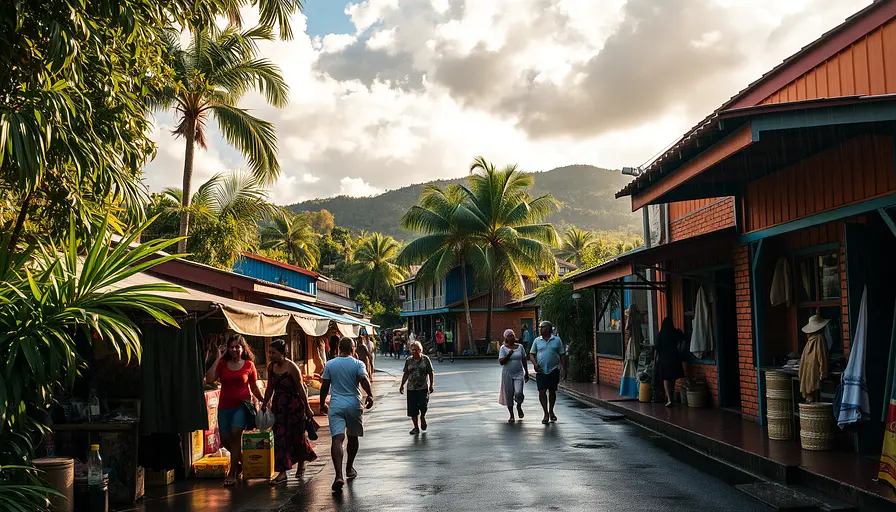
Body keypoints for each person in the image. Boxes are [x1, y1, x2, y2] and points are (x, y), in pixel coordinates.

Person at [205, 334, 264, 487]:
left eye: (237, 347)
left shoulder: (249, 365)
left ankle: (232, 472)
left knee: (235, 433)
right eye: (231, 347)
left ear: (243, 348)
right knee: (224, 439)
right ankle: (242, 460)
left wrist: (264, 400)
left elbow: (254, 387)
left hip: (241, 406)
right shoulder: (223, 364)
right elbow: (209, 379)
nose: (234, 349)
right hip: (224, 406)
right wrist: (218, 357)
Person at [319, 337, 374, 493]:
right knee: (353, 437)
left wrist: (323, 403)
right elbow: (363, 379)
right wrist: (369, 395)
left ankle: (338, 475)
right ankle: (349, 468)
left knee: (337, 439)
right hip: (353, 405)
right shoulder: (358, 364)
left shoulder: (330, 364)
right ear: (353, 348)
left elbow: (325, 386)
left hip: (336, 405)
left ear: (339, 348)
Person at [261, 339, 317, 485]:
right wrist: (264, 402)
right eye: (269, 353)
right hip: (278, 408)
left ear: (282, 353)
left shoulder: (292, 367)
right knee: (280, 438)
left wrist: (308, 408)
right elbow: (269, 388)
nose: (271, 356)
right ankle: (282, 472)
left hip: (295, 407)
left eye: (273, 353)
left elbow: (301, 388)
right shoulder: (271, 367)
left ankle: (301, 461)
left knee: (297, 436)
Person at [529, 320, 567, 424]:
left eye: (542, 327)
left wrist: (564, 369)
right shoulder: (537, 341)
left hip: (553, 369)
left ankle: (551, 411)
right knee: (542, 391)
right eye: (540, 327)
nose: (540, 329)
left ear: (549, 329)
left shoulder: (557, 340)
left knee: (552, 391)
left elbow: (562, 354)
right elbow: (531, 354)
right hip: (541, 370)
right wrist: (535, 364)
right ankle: (545, 413)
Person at [399, 340, 434, 435]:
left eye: (415, 350)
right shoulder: (408, 360)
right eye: (412, 349)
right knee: (413, 409)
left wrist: (431, 385)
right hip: (411, 388)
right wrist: (402, 385)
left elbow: (430, 373)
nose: (413, 351)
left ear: (420, 350)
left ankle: (422, 417)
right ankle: (416, 427)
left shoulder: (425, 359)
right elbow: (406, 373)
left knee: (423, 405)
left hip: (422, 388)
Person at [498, 329, 529, 423]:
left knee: (519, 392)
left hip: (519, 372)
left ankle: (519, 405)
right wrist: (508, 355)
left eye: (512, 335)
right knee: (509, 394)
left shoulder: (520, 347)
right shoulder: (503, 348)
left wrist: (526, 372)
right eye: (509, 336)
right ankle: (511, 415)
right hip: (507, 373)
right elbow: (501, 362)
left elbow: (524, 359)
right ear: (506, 338)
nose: (511, 337)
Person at [655, 317, 685, 407]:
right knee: (673, 377)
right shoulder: (674, 332)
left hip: (664, 358)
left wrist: (655, 359)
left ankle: (669, 399)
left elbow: (657, 348)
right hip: (674, 357)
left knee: (665, 378)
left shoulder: (660, 334)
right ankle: (671, 394)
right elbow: (682, 339)